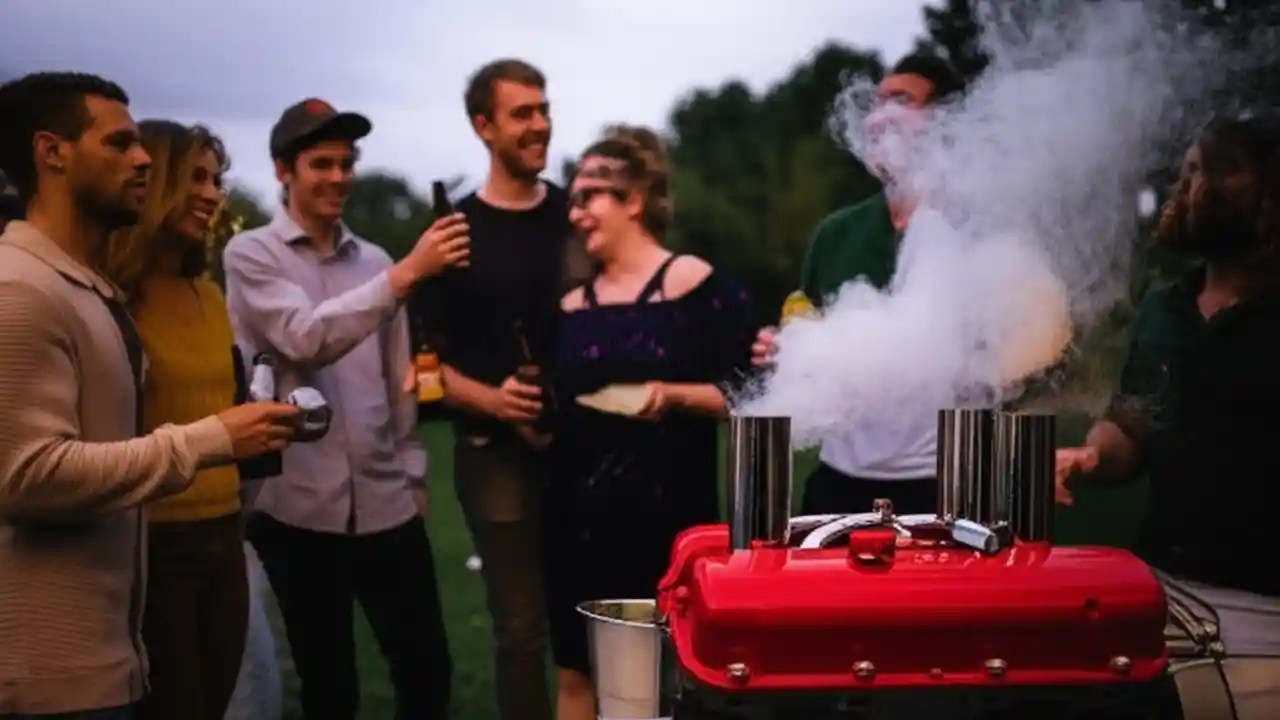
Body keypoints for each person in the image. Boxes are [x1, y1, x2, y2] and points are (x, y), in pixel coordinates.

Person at [0, 71, 298, 720]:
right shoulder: (21, 292)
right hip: (54, 676)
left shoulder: (87, 292)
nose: (141, 159)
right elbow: (25, 477)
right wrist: (214, 438)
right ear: (51, 152)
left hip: (125, 630)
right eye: (119, 143)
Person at [223, 97, 464, 720]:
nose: (338, 177)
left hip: (389, 505)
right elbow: (304, 337)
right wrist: (411, 271)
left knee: (427, 671)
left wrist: (412, 477)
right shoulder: (252, 255)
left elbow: (396, 381)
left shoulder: (376, 262)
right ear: (283, 170)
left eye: (346, 163)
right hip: (297, 512)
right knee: (330, 687)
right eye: (320, 164)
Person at [1057, 114, 1280, 715]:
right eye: (1185, 172)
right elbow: (1133, 419)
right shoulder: (1167, 308)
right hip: (1161, 598)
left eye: (1209, 171)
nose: (1189, 188)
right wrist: (1094, 454)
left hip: (1267, 617)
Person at [536, 125, 755, 720]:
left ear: (634, 200)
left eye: (590, 197)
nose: (576, 212)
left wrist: (674, 394)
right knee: (579, 673)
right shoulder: (569, 306)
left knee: (669, 685)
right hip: (576, 520)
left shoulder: (695, 286)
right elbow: (553, 411)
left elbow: (749, 395)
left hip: (666, 522)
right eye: (573, 199)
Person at [408, 58, 583, 720]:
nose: (539, 124)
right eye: (521, 114)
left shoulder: (576, 214)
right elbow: (418, 368)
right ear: (483, 127)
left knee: (590, 617)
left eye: (543, 109)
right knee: (520, 633)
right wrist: (495, 401)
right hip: (493, 455)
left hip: (582, 448)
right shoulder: (453, 232)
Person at [95, 119, 283, 720]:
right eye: (195, 177)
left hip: (225, 535)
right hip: (153, 543)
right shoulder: (111, 294)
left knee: (223, 699)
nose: (211, 194)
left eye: (217, 179)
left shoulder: (207, 295)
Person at [751, 52, 966, 516]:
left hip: (945, 484)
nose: (878, 115)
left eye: (901, 101)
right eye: (877, 102)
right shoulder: (837, 233)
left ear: (944, 121)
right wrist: (785, 352)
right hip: (839, 483)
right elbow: (806, 327)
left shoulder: (975, 227)